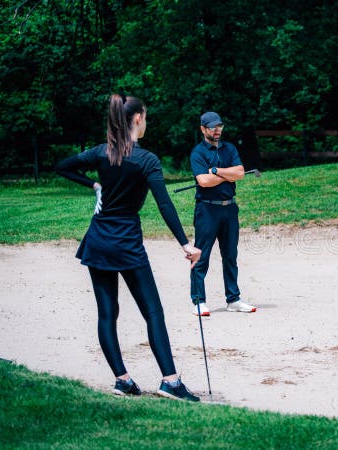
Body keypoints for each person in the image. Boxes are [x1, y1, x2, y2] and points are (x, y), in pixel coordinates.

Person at [56, 93, 201, 401]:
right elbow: (164, 203)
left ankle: (122, 380)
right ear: (137, 119)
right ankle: (171, 383)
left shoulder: (100, 152)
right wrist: (185, 244)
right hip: (127, 245)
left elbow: (63, 167)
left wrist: (94, 185)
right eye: (145, 116)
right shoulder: (146, 159)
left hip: (98, 241)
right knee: (153, 312)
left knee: (107, 314)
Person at [188, 111, 256, 316]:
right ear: (203, 129)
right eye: (212, 127)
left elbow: (240, 173)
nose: (217, 130)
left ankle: (233, 299)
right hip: (207, 209)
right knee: (202, 256)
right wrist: (229, 174)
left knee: (230, 255)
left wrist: (217, 171)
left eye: (219, 126)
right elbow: (204, 181)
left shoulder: (230, 148)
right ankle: (199, 301)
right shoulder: (198, 152)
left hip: (229, 208)